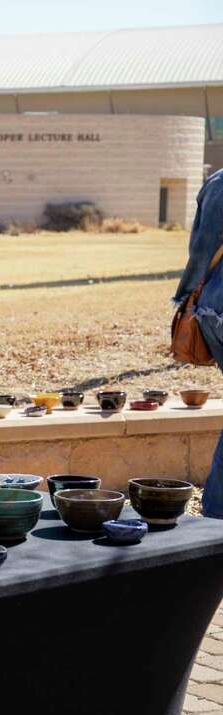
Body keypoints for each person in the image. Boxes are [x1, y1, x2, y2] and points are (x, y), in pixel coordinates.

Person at [174, 168, 223, 518]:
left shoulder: (219, 181)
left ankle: (217, 516)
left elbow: (202, 247)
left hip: (213, 309)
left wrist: (185, 298)